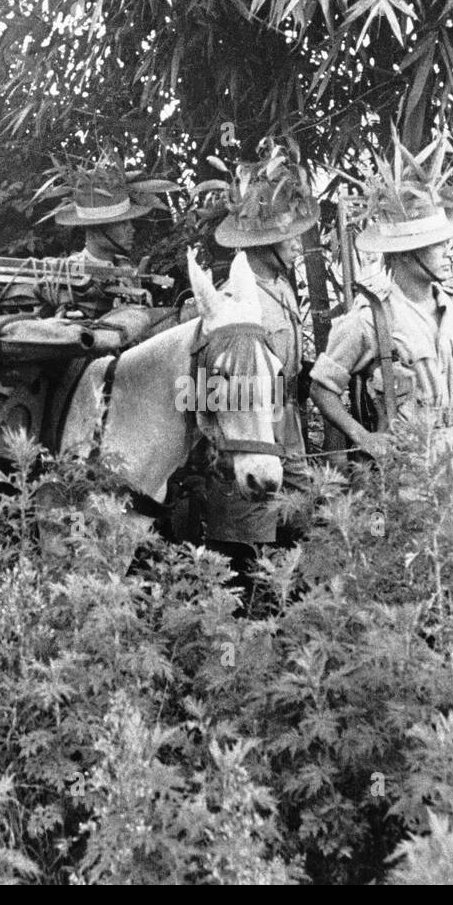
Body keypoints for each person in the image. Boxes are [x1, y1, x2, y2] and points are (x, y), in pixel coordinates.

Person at [309, 138, 453, 589]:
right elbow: (322, 386)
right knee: (407, 583)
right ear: (406, 252)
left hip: (451, 454)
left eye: (448, 242)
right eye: (437, 245)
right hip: (402, 466)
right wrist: (363, 437)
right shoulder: (370, 318)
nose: (449, 252)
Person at [191, 143, 318, 604]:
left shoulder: (280, 287)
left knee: (295, 544)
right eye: (287, 237)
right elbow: (202, 390)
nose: (295, 244)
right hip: (249, 438)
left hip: (286, 428)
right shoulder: (235, 304)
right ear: (262, 242)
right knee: (247, 555)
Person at [40, 154, 178, 314]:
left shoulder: (126, 268)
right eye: (122, 224)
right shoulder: (70, 273)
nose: (132, 229)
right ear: (95, 229)